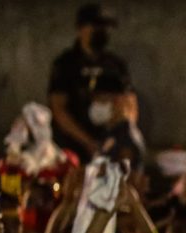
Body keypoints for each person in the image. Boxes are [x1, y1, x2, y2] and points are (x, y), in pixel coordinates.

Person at [47, 4, 134, 161]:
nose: (103, 31)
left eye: (106, 27)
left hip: (109, 139)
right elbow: (58, 109)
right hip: (73, 140)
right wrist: (89, 143)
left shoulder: (115, 65)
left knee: (132, 150)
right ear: (81, 28)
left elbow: (130, 105)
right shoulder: (65, 64)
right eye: (97, 26)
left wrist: (118, 134)